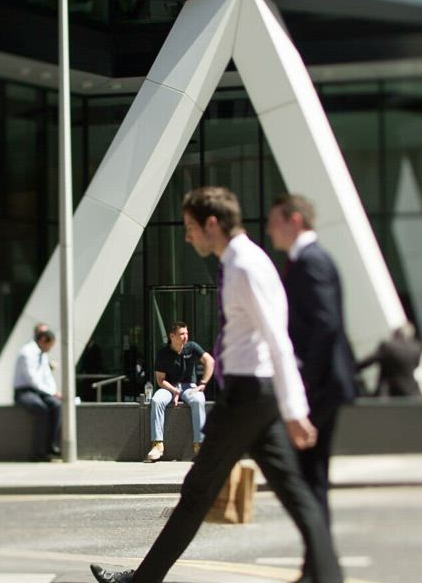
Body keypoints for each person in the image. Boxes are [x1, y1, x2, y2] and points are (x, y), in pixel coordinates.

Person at [89, 186, 342, 583]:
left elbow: (277, 339)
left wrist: (295, 410)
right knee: (294, 493)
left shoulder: (245, 265)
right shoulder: (242, 261)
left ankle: (141, 582)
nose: (186, 236)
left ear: (212, 224)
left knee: (198, 493)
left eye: (191, 227)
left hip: (248, 396)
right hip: (253, 395)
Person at [267, 192, 357, 529]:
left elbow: (326, 323)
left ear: (295, 220)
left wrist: (302, 380)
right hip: (321, 384)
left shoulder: (311, 261)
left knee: (310, 478)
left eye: (274, 221)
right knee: (310, 478)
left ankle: (319, 565)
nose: (269, 230)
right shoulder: (308, 260)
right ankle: (318, 564)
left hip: (319, 386)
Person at [146, 321, 214, 462]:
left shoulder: (191, 347)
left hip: (190, 386)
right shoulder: (163, 353)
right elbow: (160, 380)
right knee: (156, 400)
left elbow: (210, 361)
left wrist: (203, 383)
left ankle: (199, 445)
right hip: (169, 387)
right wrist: (174, 390)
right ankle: (157, 445)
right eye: (181, 334)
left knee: (199, 400)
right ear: (172, 336)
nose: (185, 337)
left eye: (186, 333)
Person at [14, 324, 62, 461]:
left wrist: (54, 392)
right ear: (42, 341)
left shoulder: (42, 353)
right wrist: (51, 392)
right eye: (49, 346)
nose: (50, 349)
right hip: (24, 391)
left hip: (39, 391)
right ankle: (37, 452)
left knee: (57, 405)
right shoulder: (27, 353)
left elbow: (46, 376)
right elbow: (32, 379)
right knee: (41, 410)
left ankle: (52, 446)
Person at [357, 322, 422, 399]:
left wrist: (352, 367)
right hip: (412, 394)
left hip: (389, 394)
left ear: (397, 333)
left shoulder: (388, 346)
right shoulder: (417, 348)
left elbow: (368, 361)